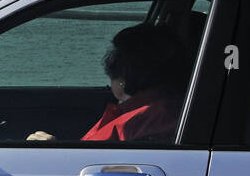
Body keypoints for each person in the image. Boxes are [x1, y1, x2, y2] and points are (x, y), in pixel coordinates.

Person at [27, 23, 192, 143]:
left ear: (121, 78)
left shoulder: (134, 122)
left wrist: (51, 151)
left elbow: (87, 167)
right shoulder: (176, 110)